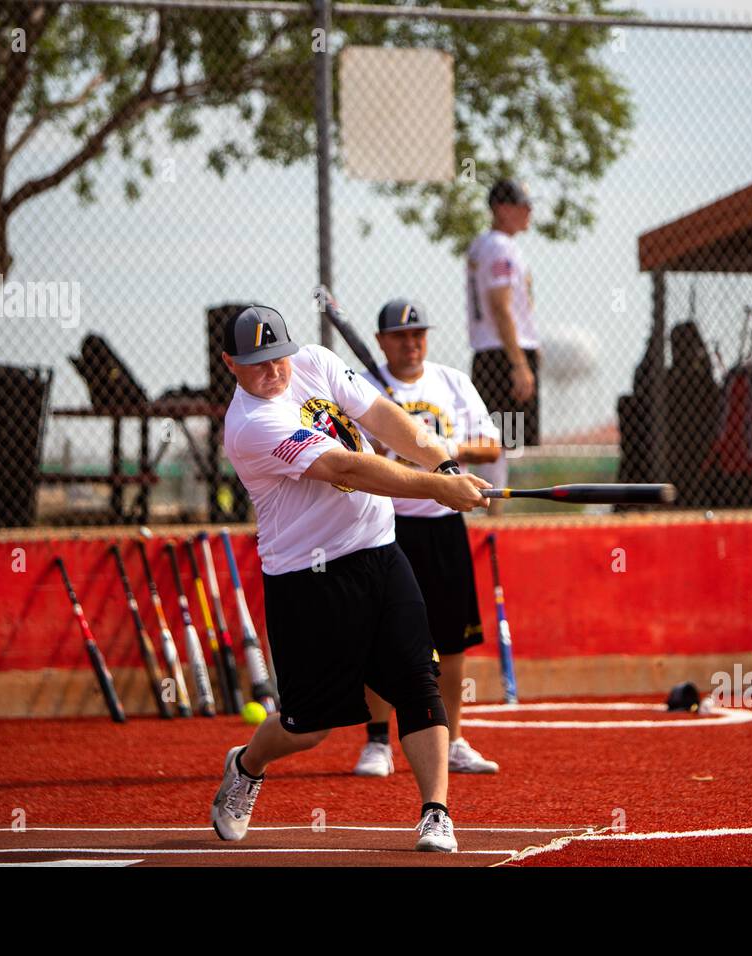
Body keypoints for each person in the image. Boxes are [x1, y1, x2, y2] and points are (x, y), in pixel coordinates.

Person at [209, 304, 491, 853]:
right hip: (306, 577)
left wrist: (443, 464)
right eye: (257, 365)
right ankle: (247, 765)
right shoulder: (249, 426)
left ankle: (436, 812)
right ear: (230, 365)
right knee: (308, 726)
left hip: (379, 551)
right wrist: (435, 489)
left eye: (279, 359)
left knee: (418, 681)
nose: (273, 373)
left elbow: (382, 415)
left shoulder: (313, 361)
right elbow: (345, 467)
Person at [353, 298, 503, 778]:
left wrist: (438, 444)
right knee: (379, 635)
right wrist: (382, 441)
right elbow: (345, 452)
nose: (411, 343)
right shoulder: (363, 388)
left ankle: (454, 739)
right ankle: (378, 741)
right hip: (385, 525)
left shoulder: (452, 382)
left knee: (452, 638)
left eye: (418, 333)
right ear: (381, 342)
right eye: (400, 335)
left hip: (444, 523)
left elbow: (492, 444)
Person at [466, 178, 540, 513]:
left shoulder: (486, 244)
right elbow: (500, 304)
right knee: (498, 438)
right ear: (501, 208)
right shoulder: (500, 246)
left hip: (492, 350)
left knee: (499, 438)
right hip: (501, 351)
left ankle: (492, 513)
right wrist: (518, 362)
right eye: (521, 205)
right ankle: (492, 516)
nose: (529, 211)